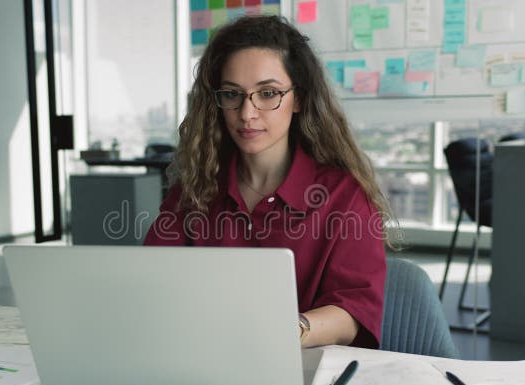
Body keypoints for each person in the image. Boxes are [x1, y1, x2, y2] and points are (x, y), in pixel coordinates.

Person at [144, 15, 394, 349]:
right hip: (201, 358)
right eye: (232, 94)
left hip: (299, 365)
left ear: (299, 99)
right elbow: (150, 283)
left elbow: (354, 312)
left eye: (268, 93)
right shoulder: (194, 189)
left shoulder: (344, 196)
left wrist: (285, 331)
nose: (247, 113)